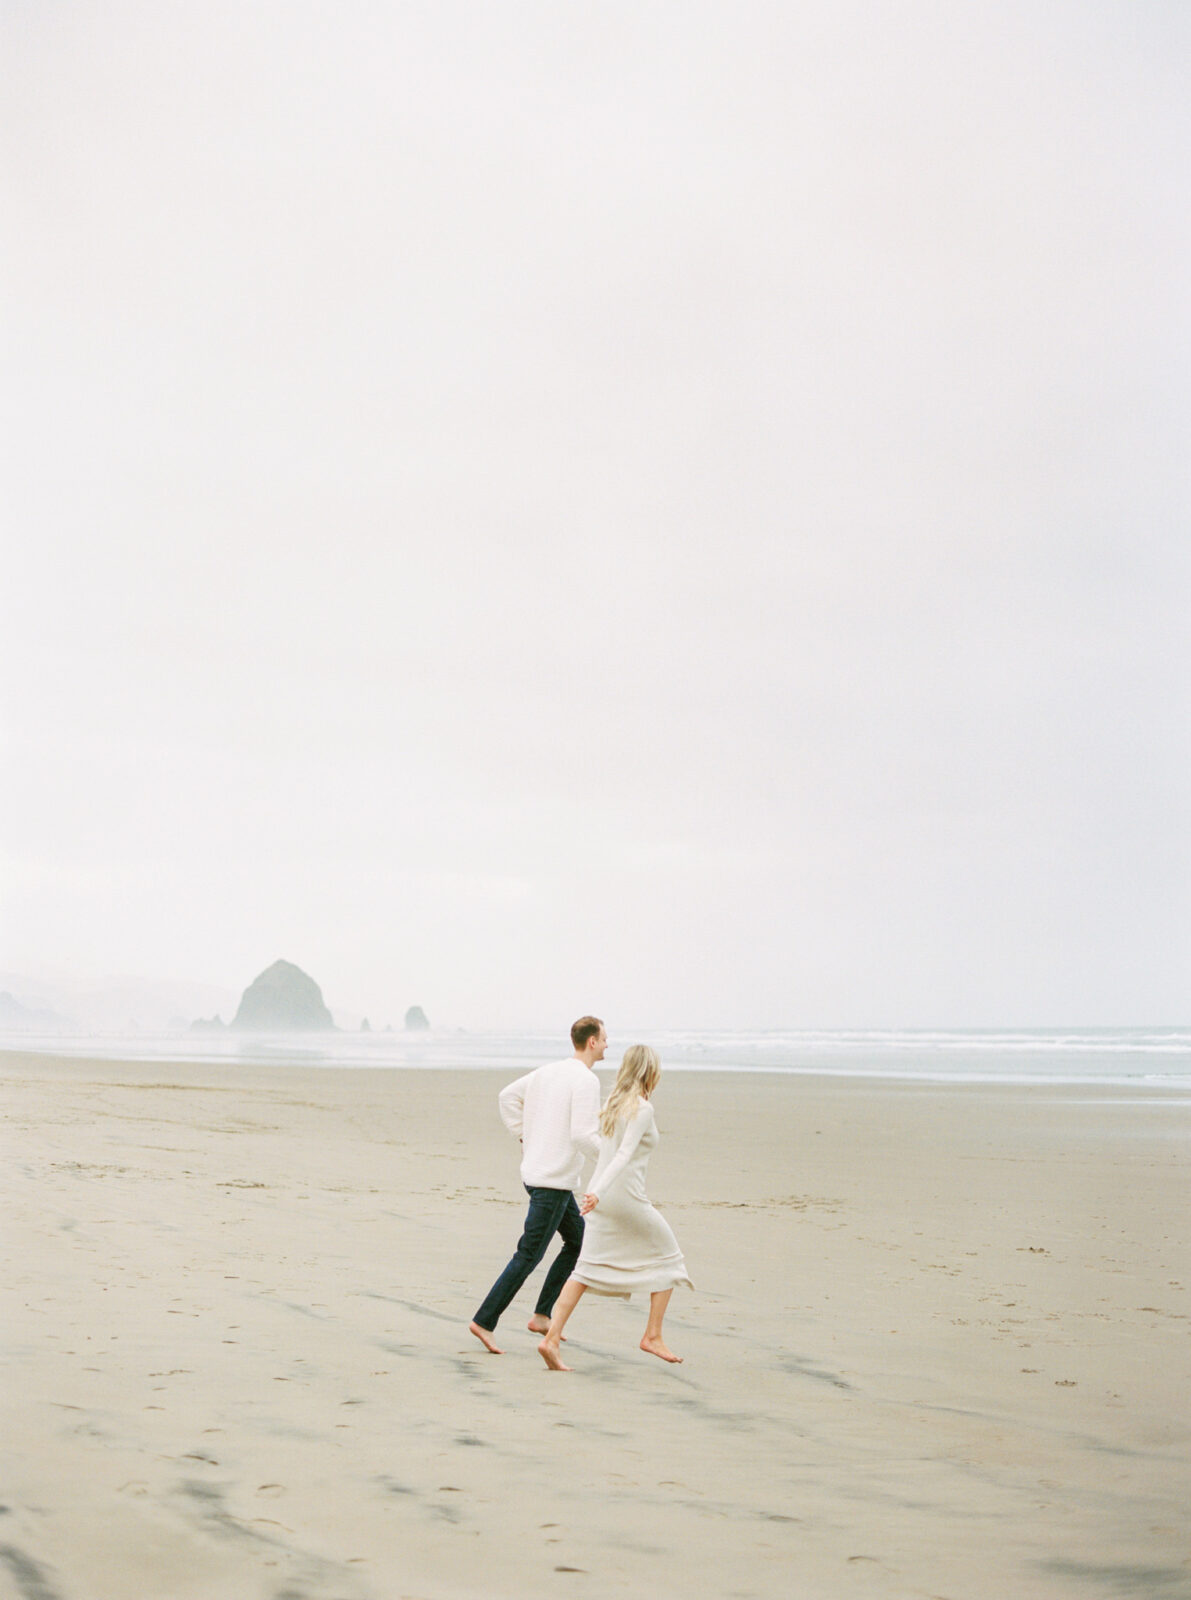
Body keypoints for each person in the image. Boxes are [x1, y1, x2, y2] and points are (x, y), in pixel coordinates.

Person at [538, 1043, 691, 1371]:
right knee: (670, 1259)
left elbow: (607, 1152)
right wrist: (599, 1193)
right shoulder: (641, 1108)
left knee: (584, 1270)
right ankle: (652, 1335)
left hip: (601, 1197)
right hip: (623, 1198)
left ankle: (550, 1339)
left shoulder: (612, 1103)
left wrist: (595, 1192)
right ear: (650, 1070)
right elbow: (621, 1155)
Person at [468, 1016, 606, 1354]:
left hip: (540, 1175)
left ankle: (543, 1315)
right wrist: (613, 1160)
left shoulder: (547, 1072)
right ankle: (484, 1321)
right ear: (591, 1041)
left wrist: (524, 1133)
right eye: (604, 1038)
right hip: (553, 1182)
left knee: (578, 1242)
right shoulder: (586, 1080)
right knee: (529, 1254)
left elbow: (507, 1097)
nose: (606, 1044)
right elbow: (583, 1135)